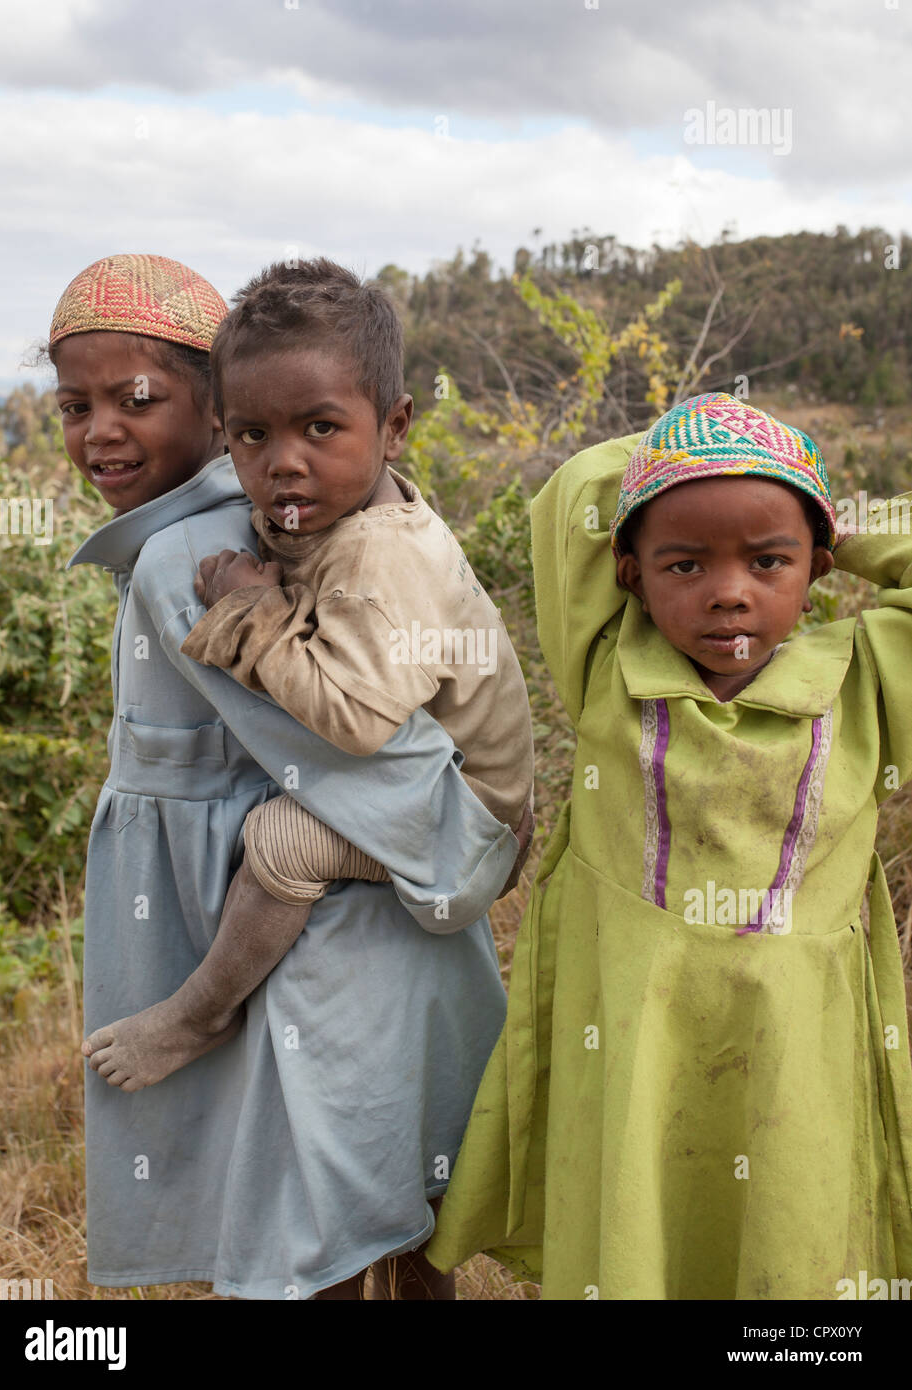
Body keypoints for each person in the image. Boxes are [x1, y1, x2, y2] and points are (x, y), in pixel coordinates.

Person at [55, 253, 526, 1300]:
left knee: (311, 1215)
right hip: (374, 880)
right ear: (231, 424)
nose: (100, 431)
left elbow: (352, 739)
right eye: (73, 404)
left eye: (136, 398)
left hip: (353, 893)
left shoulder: (201, 558)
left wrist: (253, 617)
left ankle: (197, 1008)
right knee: (394, 1206)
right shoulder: (269, 528)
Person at [427, 391, 912, 1299]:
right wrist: (704, 443)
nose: (728, 591)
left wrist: (818, 512)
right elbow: (576, 489)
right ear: (627, 573)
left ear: (815, 565)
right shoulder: (609, 669)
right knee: (635, 1230)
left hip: (791, 1042)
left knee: (790, 1237)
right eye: (682, 563)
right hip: (635, 1031)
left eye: (769, 560)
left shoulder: (867, 679)